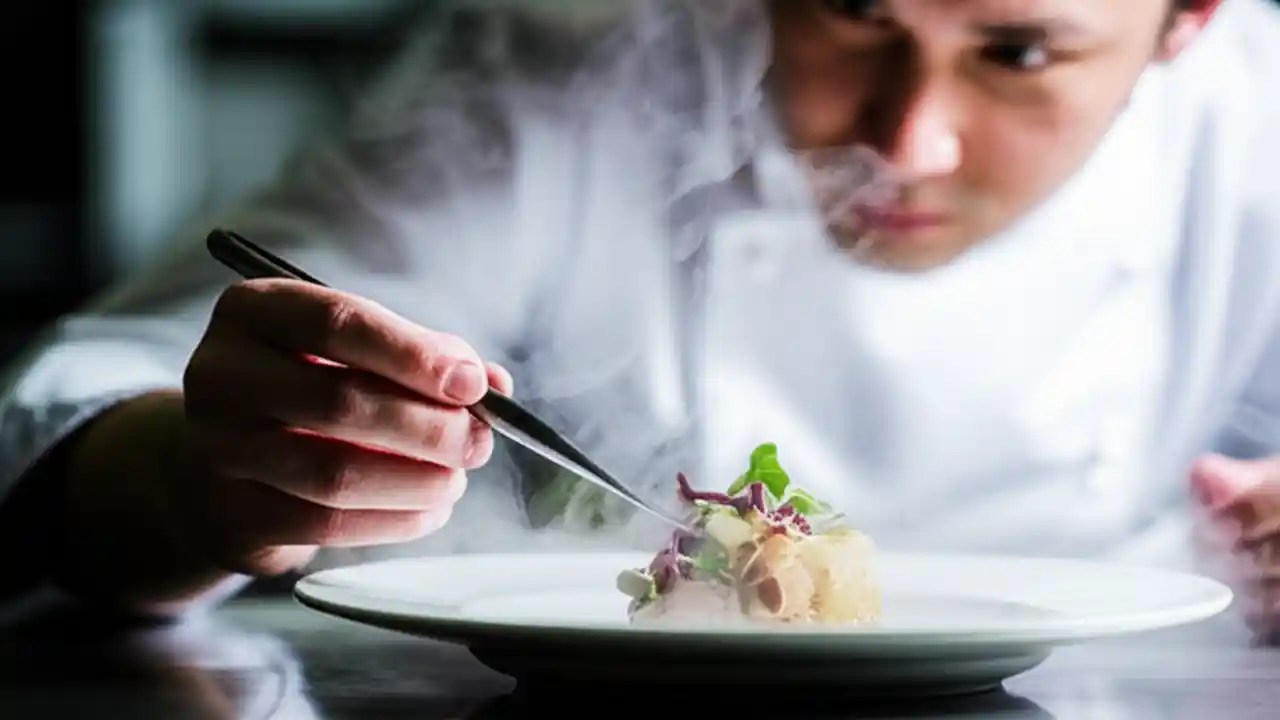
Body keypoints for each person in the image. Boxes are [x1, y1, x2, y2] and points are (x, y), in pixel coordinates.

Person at [1, 0, 1278, 635]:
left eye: (1019, 52)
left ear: (1188, 21)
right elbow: (70, 441)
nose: (907, 142)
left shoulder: (1257, 123)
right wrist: (205, 486)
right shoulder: (570, 73)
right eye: (850, 9)